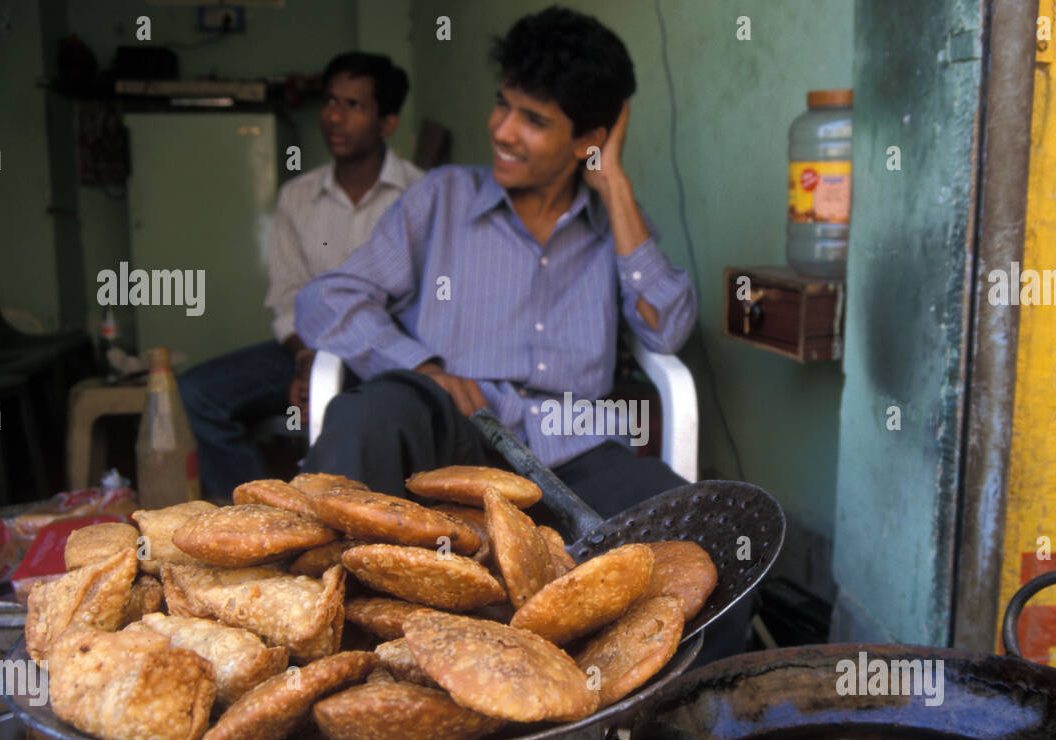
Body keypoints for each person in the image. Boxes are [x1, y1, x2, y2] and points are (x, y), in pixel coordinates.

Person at [296, 7, 696, 520]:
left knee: (689, 530)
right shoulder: (442, 199)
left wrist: (614, 183)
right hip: (449, 437)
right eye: (502, 104)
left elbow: (667, 330)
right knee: (366, 414)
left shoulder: (614, 227)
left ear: (588, 141)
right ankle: (326, 588)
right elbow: (324, 300)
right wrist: (420, 367)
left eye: (533, 120)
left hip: (573, 456)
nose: (503, 131)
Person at [179, 52, 424, 501]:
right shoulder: (298, 197)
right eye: (330, 101)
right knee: (195, 394)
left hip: (385, 354)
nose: (333, 116)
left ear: (388, 122)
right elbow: (286, 294)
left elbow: (424, 304)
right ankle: (263, 514)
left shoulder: (421, 195)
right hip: (305, 347)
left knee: (360, 409)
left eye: (353, 105)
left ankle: (364, 521)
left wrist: (343, 363)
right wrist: (307, 358)